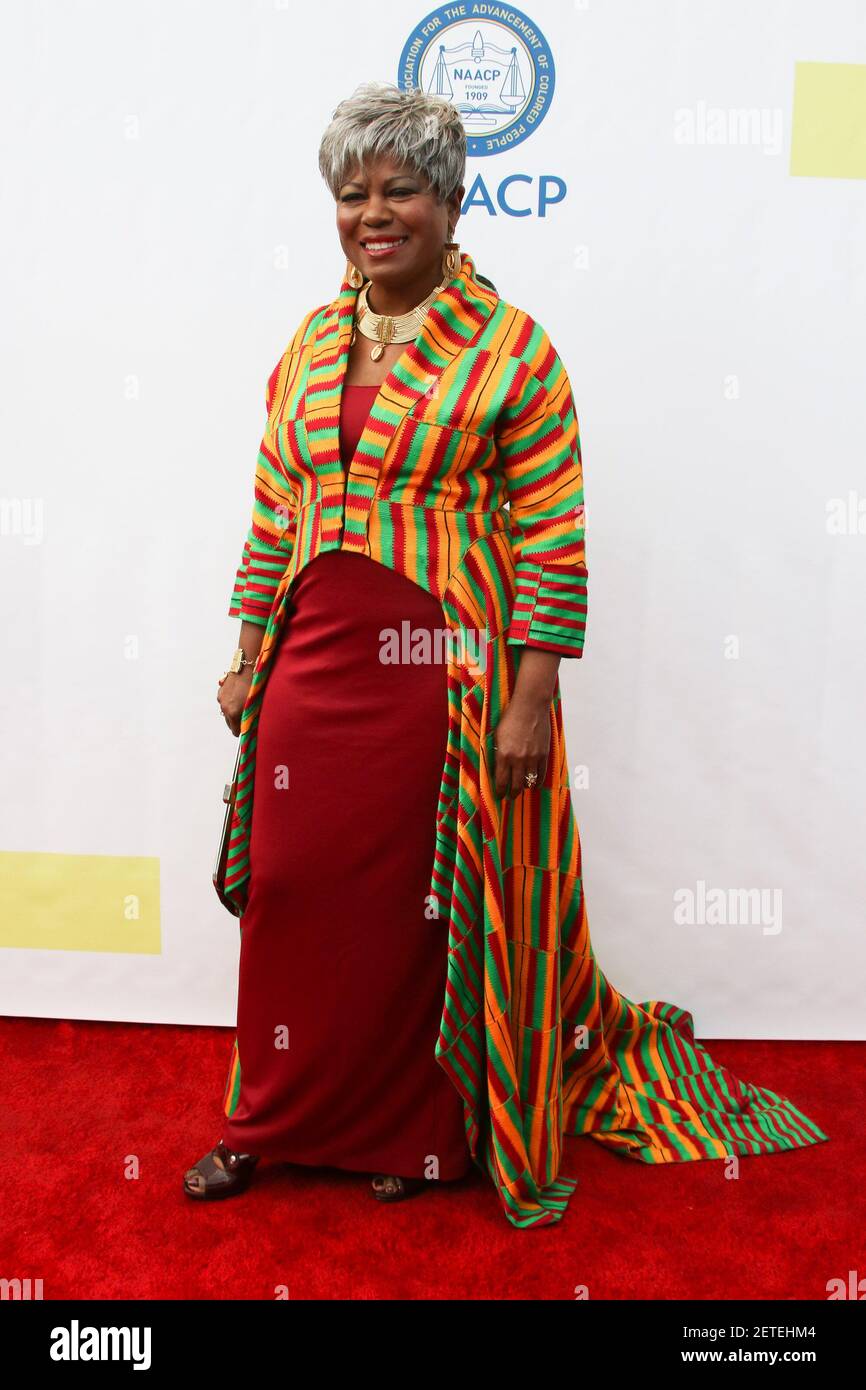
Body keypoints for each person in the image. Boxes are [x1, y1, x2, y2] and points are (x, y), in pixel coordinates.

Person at [183, 82, 828, 1229]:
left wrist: (529, 702)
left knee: (410, 907)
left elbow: (549, 536)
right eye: (352, 194)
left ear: (448, 199)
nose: (372, 214)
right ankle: (272, 1116)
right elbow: (274, 506)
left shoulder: (514, 350)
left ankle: (409, 1131)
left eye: (398, 191)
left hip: (443, 668)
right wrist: (245, 649)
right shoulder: (309, 340)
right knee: (292, 893)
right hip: (310, 658)